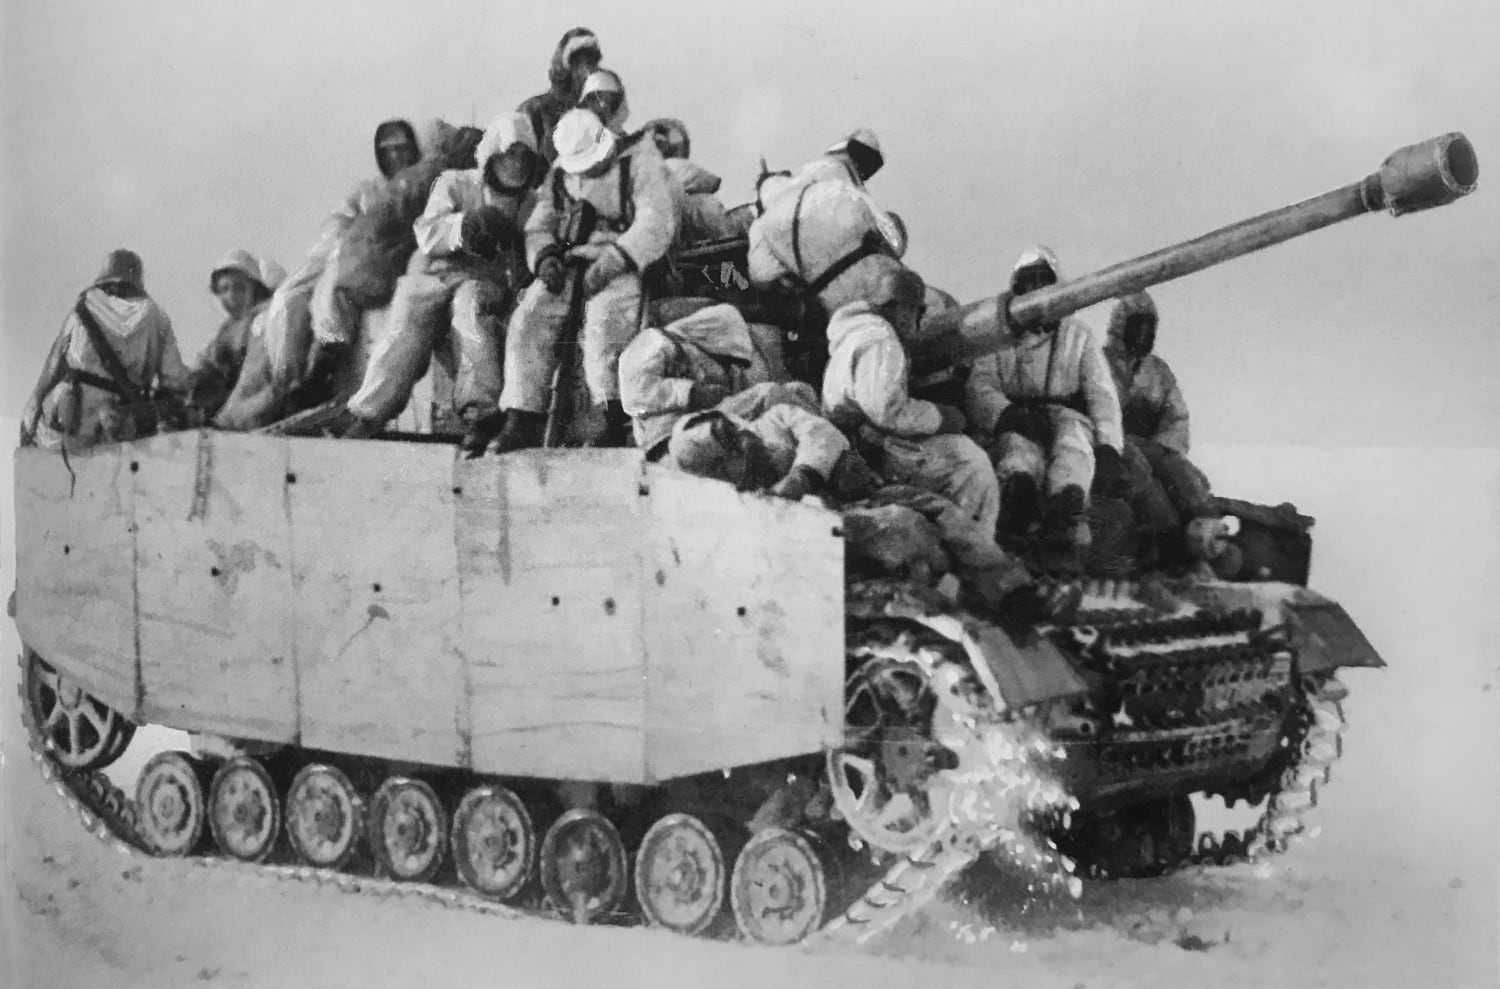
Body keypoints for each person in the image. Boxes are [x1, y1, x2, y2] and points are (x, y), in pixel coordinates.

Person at [341, 112, 543, 452]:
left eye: (524, 156)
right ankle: (368, 411)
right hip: (438, 271)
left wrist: (523, 259)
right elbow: (427, 230)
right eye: (510, 154)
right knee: (409, 310)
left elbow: (537, 239)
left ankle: (482, 413)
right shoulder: (456, 183)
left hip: (484, 279)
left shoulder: (531, 202)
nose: (516, 164)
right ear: (493, 153)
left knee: (470, 310)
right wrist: (465, 227)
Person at [493, 108, 679, 452]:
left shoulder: (641, 162)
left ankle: (607, 415)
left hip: (622, 262)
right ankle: (521, 414)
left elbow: (656, 222)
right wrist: (545, 258)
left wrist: (614, 260)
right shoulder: (560, 174)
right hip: (570, 262)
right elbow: (539, 224)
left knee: (604, 328)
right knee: (528, 317)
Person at [243, 118, 438, 424]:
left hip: (386, 258)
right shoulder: (368, 189)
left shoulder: (422, 183)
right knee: (289, 297)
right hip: (350, 251)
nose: (395, 156)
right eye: (387, 151)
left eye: (401, 148)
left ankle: (323, 364)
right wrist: (344, 241)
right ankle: (289, 381)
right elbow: (338, 222)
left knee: (334, 287)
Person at [822, 258, 1001, 534]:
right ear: (899, 307)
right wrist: (943, 417)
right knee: (970, 461)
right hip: (871, 451)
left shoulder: (854, 333)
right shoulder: (882, 340)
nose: (917, 320)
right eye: (916, 311)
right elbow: (886, 411)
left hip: (852, 444)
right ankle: (974, 545)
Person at [972, 245, 1124, 567]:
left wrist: (1110, 445)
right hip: (1019, 416)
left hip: (1066, 415)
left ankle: (1064, 516)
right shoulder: (997, 334)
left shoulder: (1078, 333)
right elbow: (980, 384)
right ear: (1017, 287)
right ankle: (1016, 512)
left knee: (1074, 450)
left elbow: (1101, 393)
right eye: (1029, 281)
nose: (1037, 288)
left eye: (1045, 280)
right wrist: (1006, 414)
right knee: (1018, 455)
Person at [20, 249, 191, 450]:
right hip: (120, 429)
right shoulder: (156, 316)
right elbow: (176, 381)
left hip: (69, 425)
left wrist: (32, 408)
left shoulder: (84, 306)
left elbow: (53, 366)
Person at [618, 301, 817, 457]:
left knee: (798, 390)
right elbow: (634, 394)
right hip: (669, 440)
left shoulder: (727, 369)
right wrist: (692, 393)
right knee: (769, 393)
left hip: (710, 426)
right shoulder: (655, 342)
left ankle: (820, 446)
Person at [1103, 291, 1216, 545]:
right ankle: (1165, 538)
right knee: (1141, 476)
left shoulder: (1158, 371)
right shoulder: (1098, 363)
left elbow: (1175, 416)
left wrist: (1164, 447)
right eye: (1137, 326)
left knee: (1183, 473)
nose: (1143, 335)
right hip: (1114, 448)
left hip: (1154, 446)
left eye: (1148, 327)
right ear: (1120, 326)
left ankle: (1208, 529)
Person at [189, 249, 272, 419]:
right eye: (224, 289)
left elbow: (253, 379)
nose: (232, 296)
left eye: (240, 288)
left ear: (255, 289)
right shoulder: (229, 328)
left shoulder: (264, 320)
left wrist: (226, 417)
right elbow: (207, 363)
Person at [517, 28, 603, 169]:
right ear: (565, 67)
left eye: (592, 62)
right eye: (580, 62)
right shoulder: (534, 110)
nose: (587, 70)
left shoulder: (599, 115)